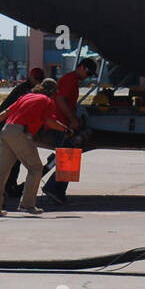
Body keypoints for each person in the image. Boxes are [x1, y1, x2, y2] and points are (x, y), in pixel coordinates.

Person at [0, 78, 69, 216]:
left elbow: (5, 112)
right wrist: (65, 129)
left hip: (6, 131)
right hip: (20, 133)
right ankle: (27, 205)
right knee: (36, 168)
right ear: (52, 92)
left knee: (1, 173)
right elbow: (49, 121)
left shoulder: (26, 96)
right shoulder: (47, 101)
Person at [42, 56, 99, 205]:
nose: (88, 77)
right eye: (88, 73)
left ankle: (58, 192)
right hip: (58, 125)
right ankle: (53, 188)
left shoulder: (72, 80)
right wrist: (72, 119)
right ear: (81, 67)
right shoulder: (70, 79)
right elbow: (60, 100)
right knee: (69, 157)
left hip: (62, 124)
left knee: (70, 156)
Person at [0, 67, 44, 196]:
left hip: (10, 124)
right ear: (31, 77)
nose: (37, 82)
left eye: (40, 80)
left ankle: (9, 186)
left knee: (16, 159)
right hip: (3, 123)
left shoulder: (32, 90)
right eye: (36, 79)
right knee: (3, 159)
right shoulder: (24, 90)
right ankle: (2, 188)